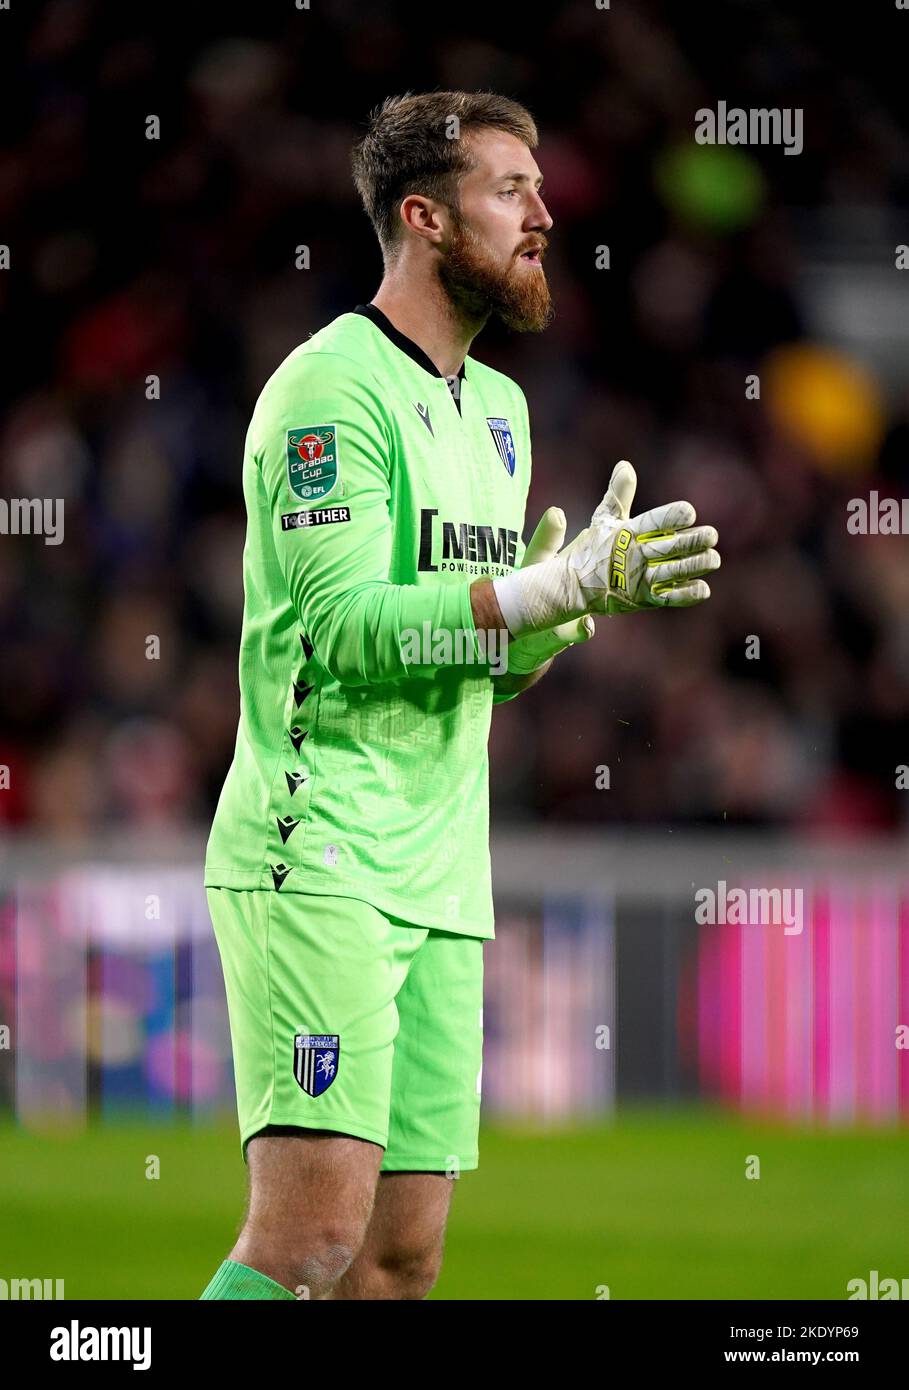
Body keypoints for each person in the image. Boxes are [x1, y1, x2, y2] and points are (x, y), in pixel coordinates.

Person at [200, 90, 720, 1301]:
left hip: (441, 868)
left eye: (540, 189)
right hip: (315, 849)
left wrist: (564, 618)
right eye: (511, 191)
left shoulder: (501, 411)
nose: (545, 215)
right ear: (426, 218)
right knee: (308, 1244)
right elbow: (338, 630)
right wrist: (527, 597)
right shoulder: (329, 388)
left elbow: (468, 655)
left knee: (396, 1260)